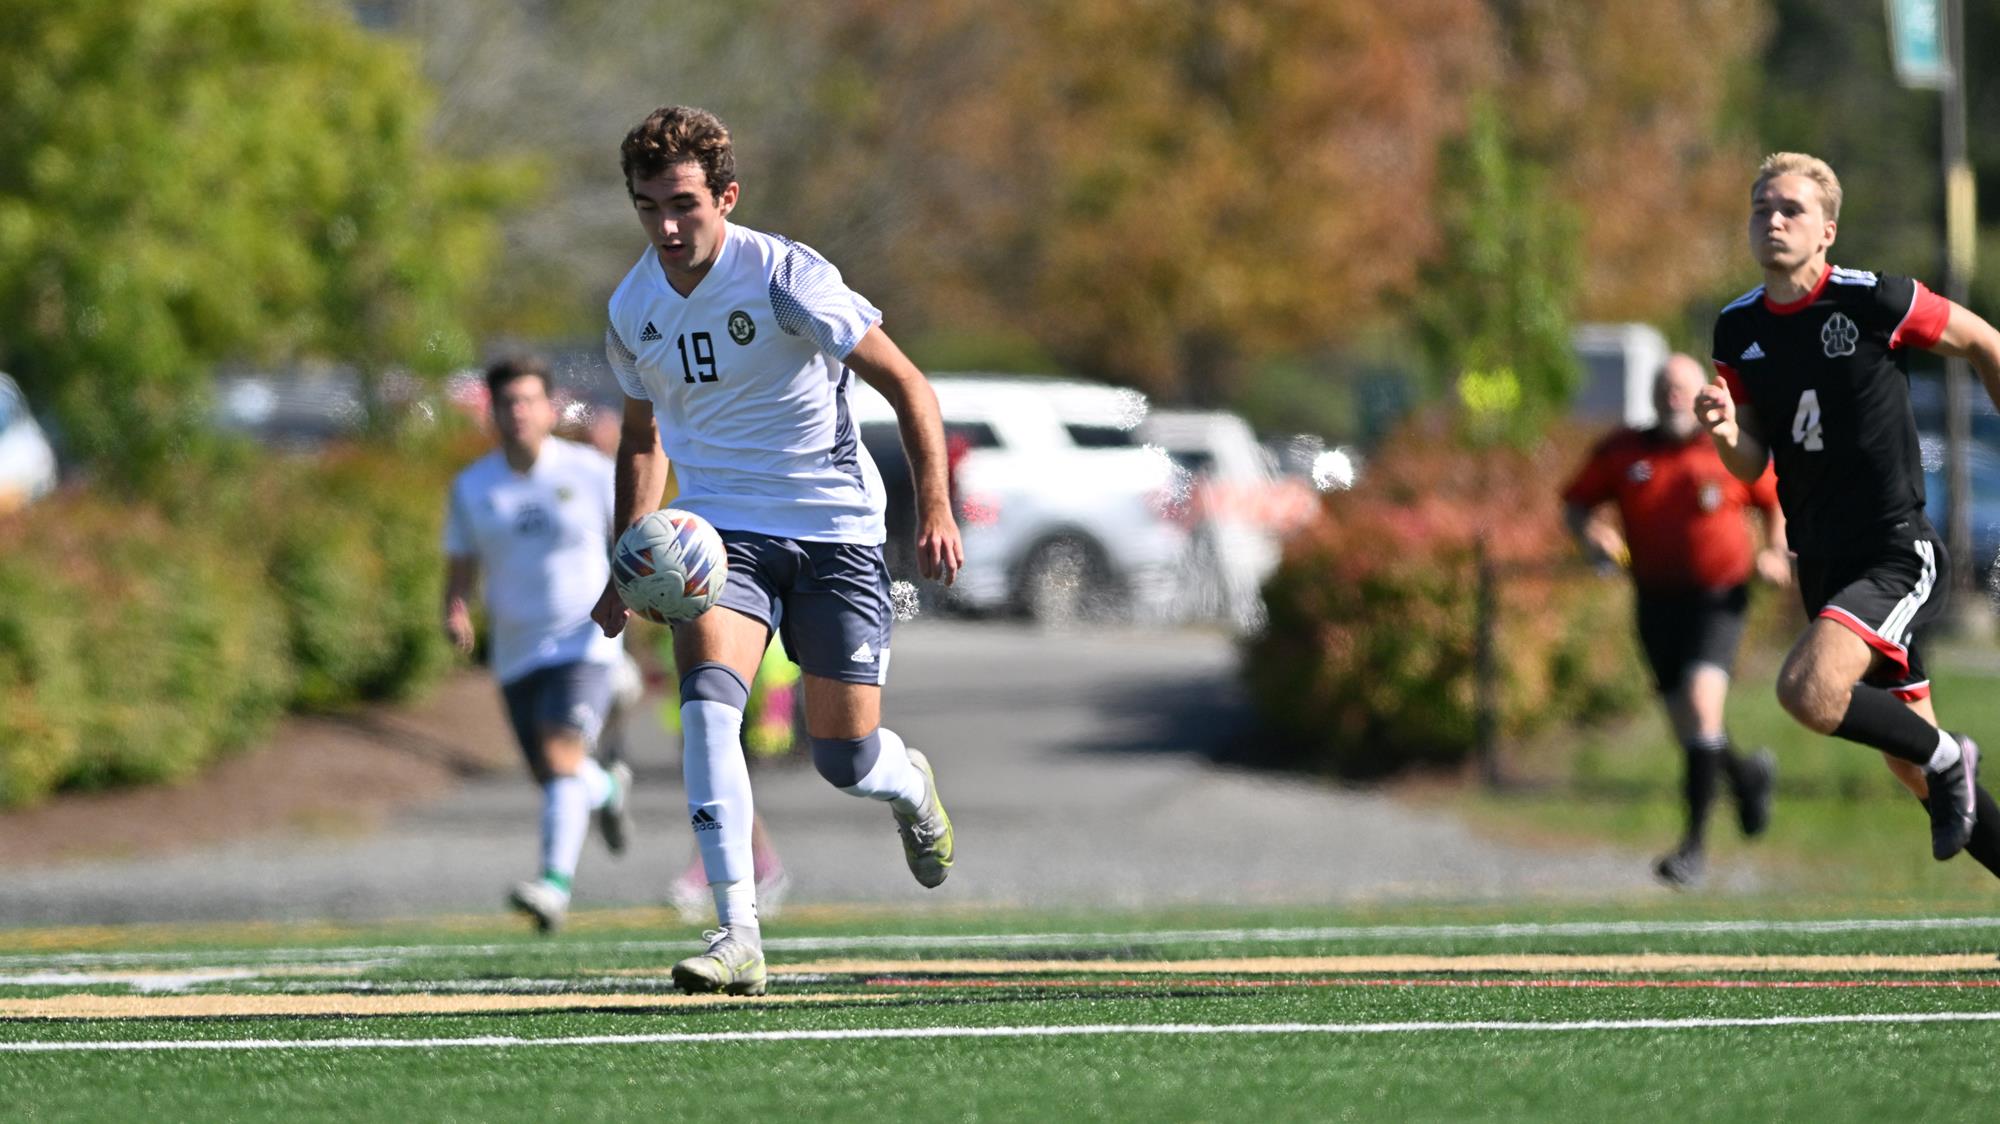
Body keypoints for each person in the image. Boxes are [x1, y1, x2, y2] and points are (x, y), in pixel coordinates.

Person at [592, 105, 964, 996]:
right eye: (648, 208)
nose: (668, 227)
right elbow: (642, 441)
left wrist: (937, 510)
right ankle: (738, 932)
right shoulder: (632, 308)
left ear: (725, 194)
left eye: (683, 203)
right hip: (719, 535)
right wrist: (623, 563)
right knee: (709, 707)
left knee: (846, 758)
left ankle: (909, 786)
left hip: (836, 527)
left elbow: (907, 383)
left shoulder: (787, 275)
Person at [1698, 151, 2000, 875]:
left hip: (1897, 550)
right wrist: (1722, 431)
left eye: (1791, 209)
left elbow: (1985, 341)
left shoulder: (1874, 300)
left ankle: (1946, 753)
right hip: (1823, 561)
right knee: (1910, 769)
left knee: (1807, 690)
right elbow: (1753, 461)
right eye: (1761, 208)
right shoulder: (1736, 329)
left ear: (1827, 230)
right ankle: (1940, 759)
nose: (1772, 220)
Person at [1562, 354, 1790, 886]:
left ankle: (1693, 851)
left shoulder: (1727, 448)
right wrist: (1591, 535)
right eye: (1663, 387)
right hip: (1655, 600)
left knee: (1700, 709)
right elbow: (1576, 504)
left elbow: (1774, 499)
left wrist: (1776, 551)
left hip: (1719, 599)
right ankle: (1748, 776)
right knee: (1691, 729)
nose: (1671, 397)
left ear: (1702, 395)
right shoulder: (1623, 451)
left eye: (1681, 388)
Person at [443, 356, 634, 932]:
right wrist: (454, 606)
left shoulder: (590, 470)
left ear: (551, 408)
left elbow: (631, 534)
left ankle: (553, 886)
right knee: (559, 776)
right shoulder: (473, 486)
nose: (518, 412)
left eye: (528, 400)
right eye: (507, 403)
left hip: (585, 642)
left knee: (559, 761)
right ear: (492, 413)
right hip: (516, 651)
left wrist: (635, 596)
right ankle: (606, 786)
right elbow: (461, 558)